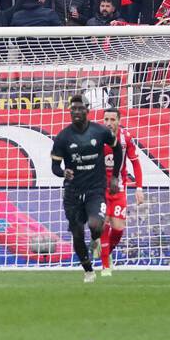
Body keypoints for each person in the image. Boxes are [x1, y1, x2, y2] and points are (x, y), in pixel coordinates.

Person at [50, 94, 115, 283]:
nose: (76, 111)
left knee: (95, 225)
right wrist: (64, 173)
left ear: (87, 110)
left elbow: (117, 149)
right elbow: (54, 167)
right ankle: (88, 270)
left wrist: (116, 175)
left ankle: (96, 239)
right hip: (73, 192)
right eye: (73, 109)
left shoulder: (99, 132)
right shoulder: (63, 137)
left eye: (80, 108)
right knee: (77, 232)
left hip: (95, 188)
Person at [97, 106, 143, 275]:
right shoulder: (96, 137)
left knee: (118, 228)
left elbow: (135, 163)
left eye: (112, 120)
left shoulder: (126, 138)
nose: (109, 123)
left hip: (119, 188)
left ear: (119, 120)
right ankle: (105, 266)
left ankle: (105, 252)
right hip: (99, 188)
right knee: (103, 224)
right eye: (106, 119)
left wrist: (139, 188)